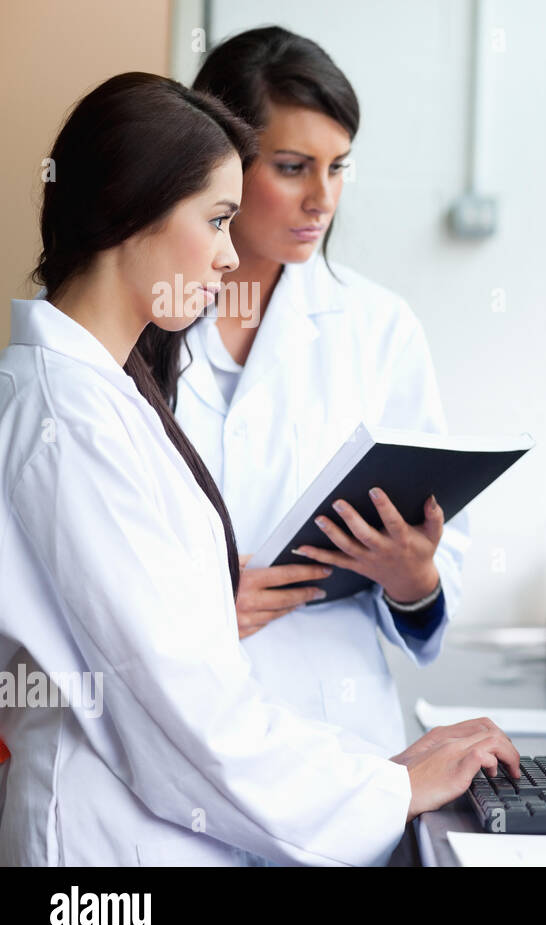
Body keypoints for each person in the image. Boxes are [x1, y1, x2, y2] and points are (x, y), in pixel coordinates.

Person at [0, 72, 518, 866]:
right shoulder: (68, 419)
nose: (226, 255)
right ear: (129, 208)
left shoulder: (103, 394)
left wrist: (374, 774)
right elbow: (182, 707)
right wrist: (387, 787)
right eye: (215, 220)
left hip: (214, 803)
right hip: (113, 843)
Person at [131, 25, 465, 758]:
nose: (323, 199)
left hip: (335, 738)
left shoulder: (379, 331)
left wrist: (414, 578)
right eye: (292, 167)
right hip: (168, 738)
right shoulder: (136, 318)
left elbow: (437, 581)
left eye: (338, 168)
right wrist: (203, 606)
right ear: (216, 161)